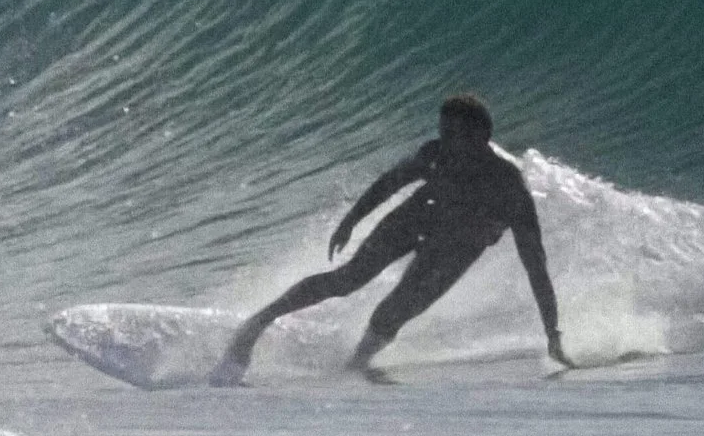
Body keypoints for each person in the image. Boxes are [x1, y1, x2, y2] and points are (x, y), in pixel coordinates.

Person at [211, 94, 573, 385]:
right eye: (443, 132)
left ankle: (354, 366)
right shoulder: (436, 155)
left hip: (458, 248)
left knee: (396, 311)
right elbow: (390, 183)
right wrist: (352, 220)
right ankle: (257, 323)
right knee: (348, 279)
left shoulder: (509, 188)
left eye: (454, 135)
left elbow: (535, 264)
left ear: (481, 138)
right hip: (418, 216)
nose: (445, 141)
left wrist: (551, 333)